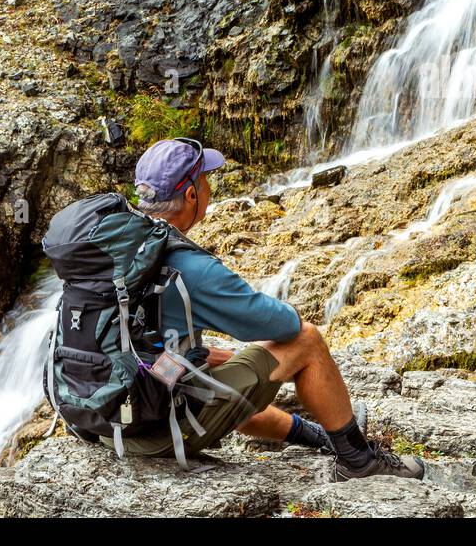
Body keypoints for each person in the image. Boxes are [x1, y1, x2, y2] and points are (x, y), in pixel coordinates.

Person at [106, 136, 424, 482]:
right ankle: (357, 460)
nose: (210, 187)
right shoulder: (190, 269)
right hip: (149, 432)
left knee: (217, 363)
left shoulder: (114, 246)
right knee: (307, 342)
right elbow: (284, 326)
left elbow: (137, 343)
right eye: (206, 179)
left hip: (102, 418)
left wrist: (223, 357)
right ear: (192, 195)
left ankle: (317, 436)